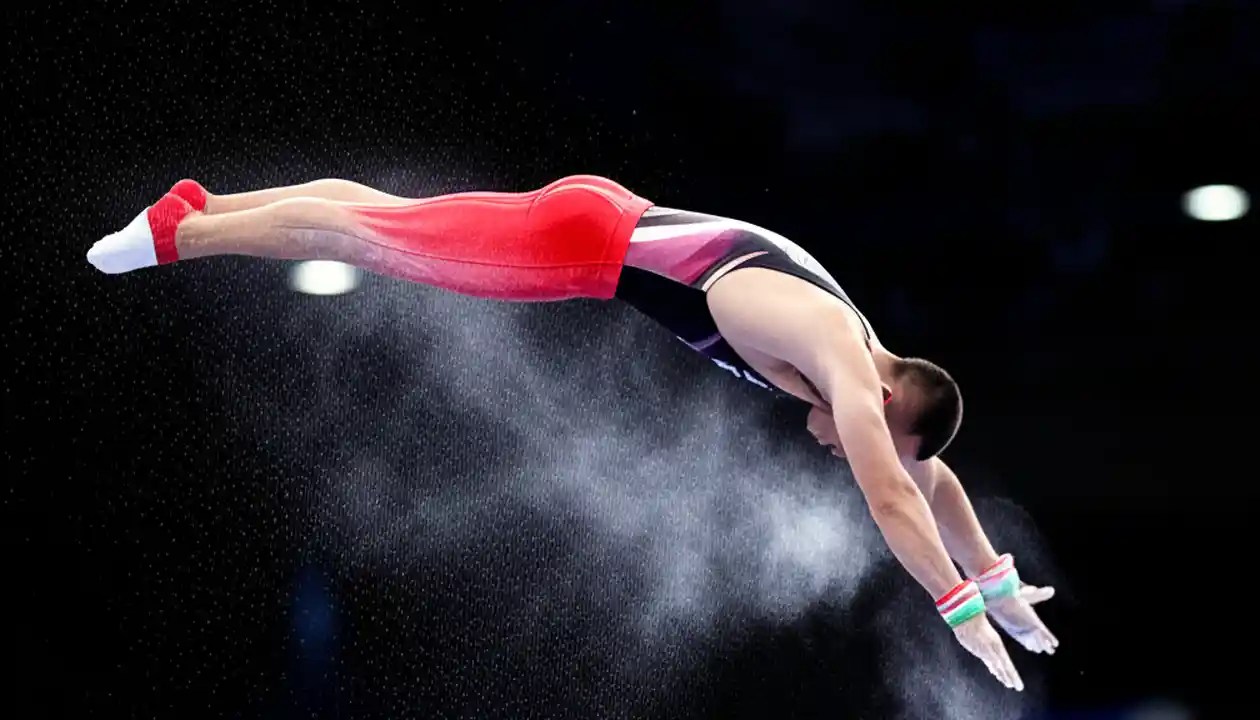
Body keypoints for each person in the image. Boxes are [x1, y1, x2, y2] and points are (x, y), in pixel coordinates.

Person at [87, 174, 1059, 690]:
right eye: (856, 440)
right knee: (364, 240)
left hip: (600, 212)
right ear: (887, 407)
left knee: (379, 210)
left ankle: (206, 204)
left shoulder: (861, 352)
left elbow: (928, 482)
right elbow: (890, 492)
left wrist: (999, 586)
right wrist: (957, 617)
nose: (834, 447)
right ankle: (183, 237)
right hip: (576, 252)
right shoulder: (843, 366)